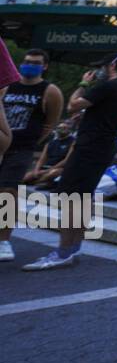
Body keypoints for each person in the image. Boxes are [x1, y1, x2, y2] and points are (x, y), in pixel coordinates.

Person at [22, 52, 117, 271]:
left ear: (111, 65)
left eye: (101, 66)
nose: (97, 71)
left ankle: (63, 251)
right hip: (103, 147)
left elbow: (72, 105)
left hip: (89, 146)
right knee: (83, 198)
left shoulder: (107, 87)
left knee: (71, 198)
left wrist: (83, 83)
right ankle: (73, 247)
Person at [1, 49, 65, 262]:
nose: (30, 65)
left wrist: (32, 142)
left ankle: (3, 240)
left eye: (35, 62)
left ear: (44, 66)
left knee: (8, 191)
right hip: (2, 145)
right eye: (27, 61)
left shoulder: (50, 91)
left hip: (21, 148)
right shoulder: (8, 86)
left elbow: (50, 122)